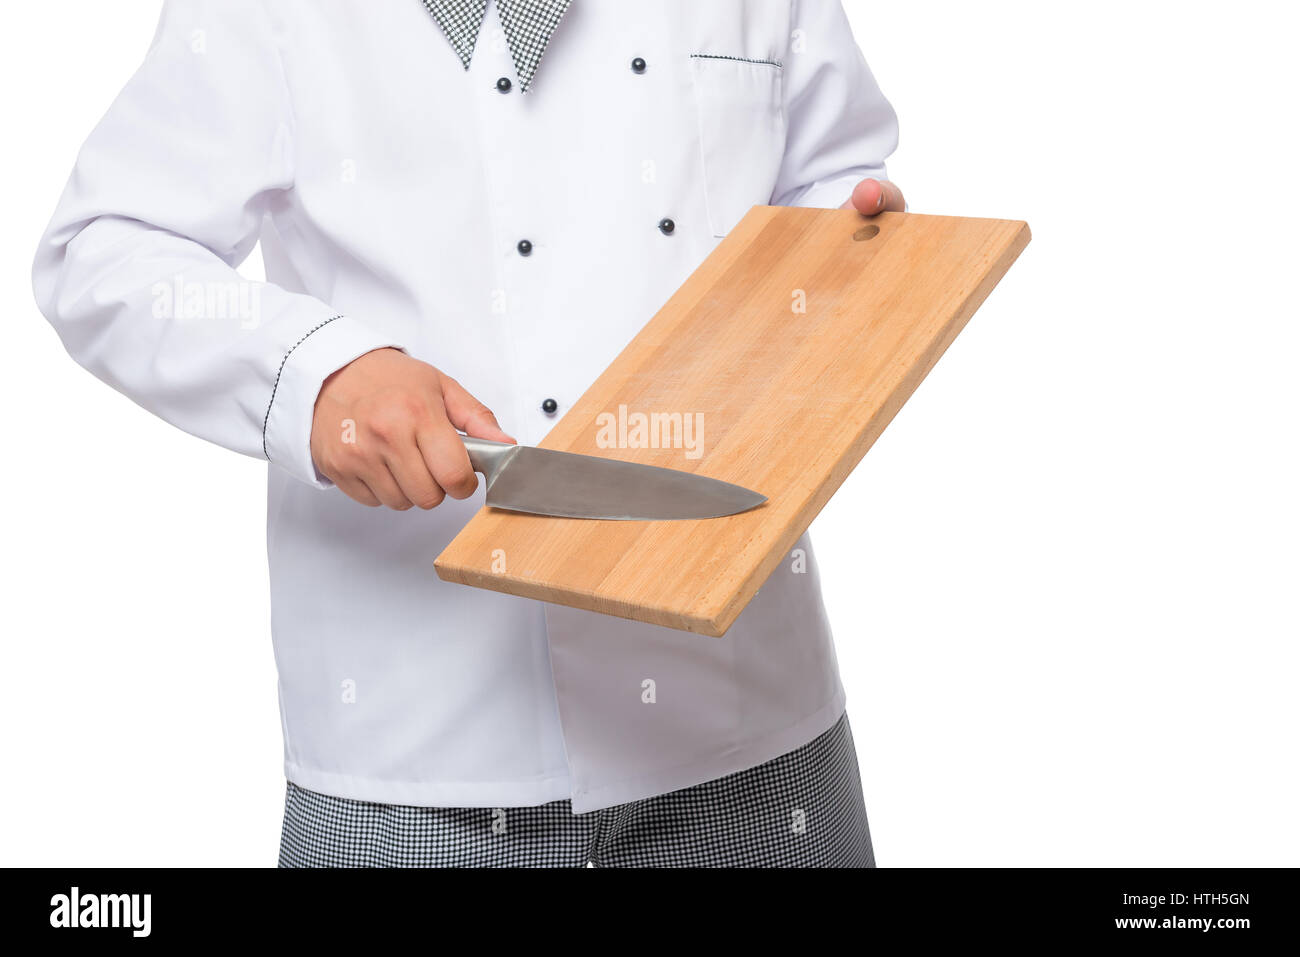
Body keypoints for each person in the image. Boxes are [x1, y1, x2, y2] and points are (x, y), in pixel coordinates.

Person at [34, 0, 903, 868]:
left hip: (757, 747)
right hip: (413, 782)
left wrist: (850, 246)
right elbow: (104, 249)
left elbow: (830, 178)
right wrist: (314, 375)